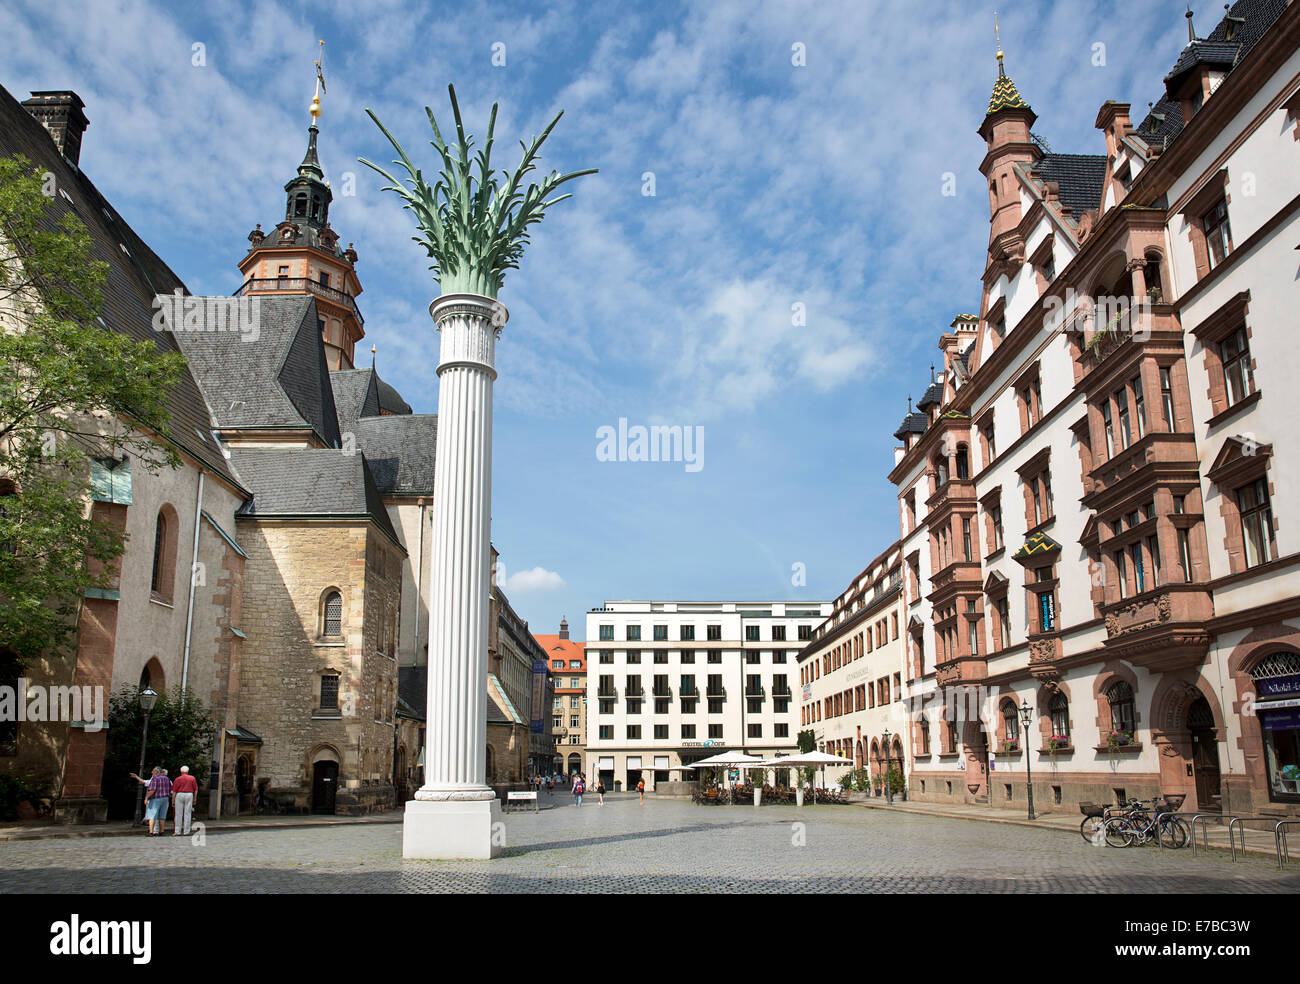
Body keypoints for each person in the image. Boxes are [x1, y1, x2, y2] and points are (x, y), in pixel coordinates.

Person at [141, 766, 171, 836]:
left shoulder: (155, 778)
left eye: (153, 771)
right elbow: (170, 788)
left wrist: (146, 797)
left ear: (156, 772)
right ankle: (162, 831)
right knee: (162, 816)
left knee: (152, 815)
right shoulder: (167, 778)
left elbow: (152, 790)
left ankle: (151, 832)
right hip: (165, 798)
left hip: (156, 798)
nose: (152, 772)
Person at [171, 765, 199, 836]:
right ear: (187, 771)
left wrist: (173, 800)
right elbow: (195, 789)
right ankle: (186, 831)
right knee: (188, 813)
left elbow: (174, 791)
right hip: (189, 794)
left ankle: (177, 831)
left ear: (181, 771)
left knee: (178, 814)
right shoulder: (192, 778)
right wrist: (195, 798)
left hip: (179, 794)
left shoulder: (178, 779)